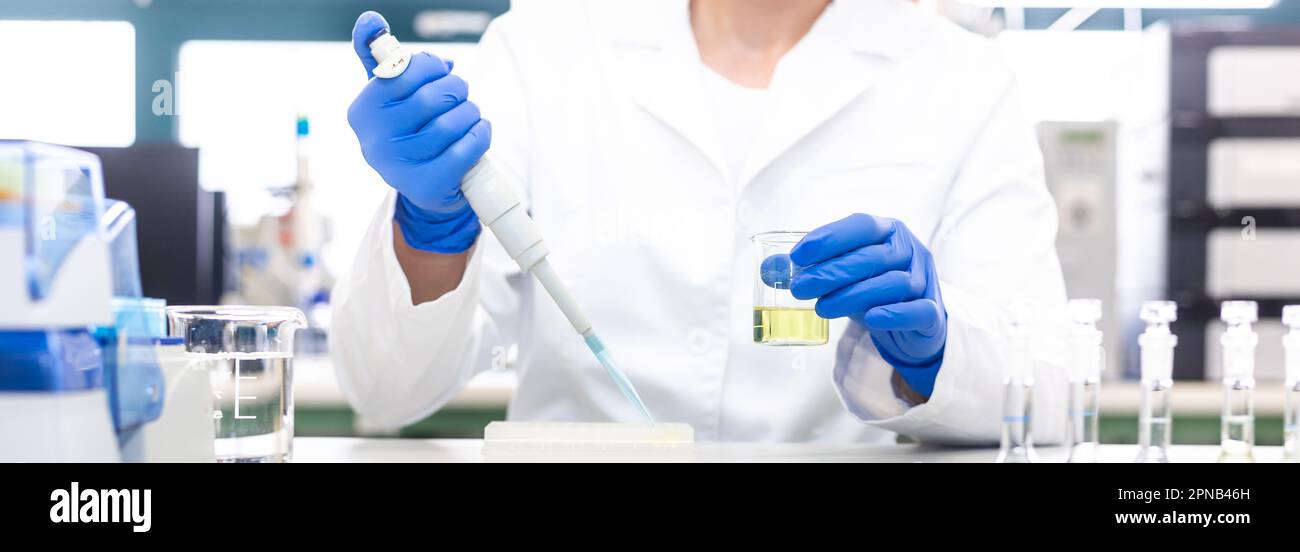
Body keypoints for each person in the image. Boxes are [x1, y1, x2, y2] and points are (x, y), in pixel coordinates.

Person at [332, 0, 1068, 443]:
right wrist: (430, 229)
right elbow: (387, 391)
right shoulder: (543, 48)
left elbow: (1045, 392)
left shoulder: (963, 81)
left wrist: (938, 356)